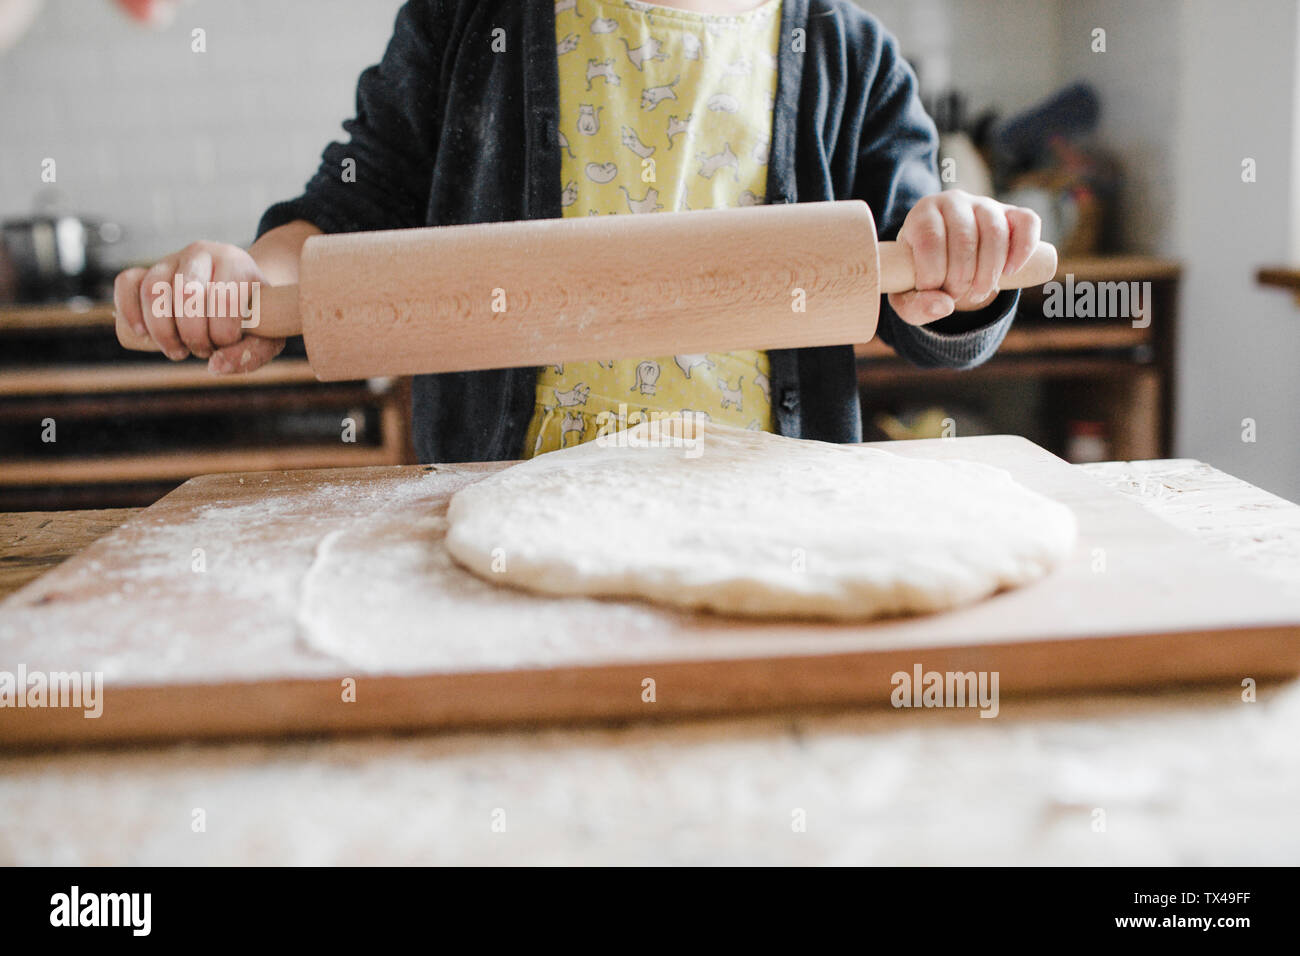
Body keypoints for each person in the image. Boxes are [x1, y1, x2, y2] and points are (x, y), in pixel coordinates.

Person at [114, 0, 1042, 463]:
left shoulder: (849, 52)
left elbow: (923, 279)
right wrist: (247, 276)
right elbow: (350, 207)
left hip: (770, 509)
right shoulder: (467, 22)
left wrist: (956, 265)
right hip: (497, 506)